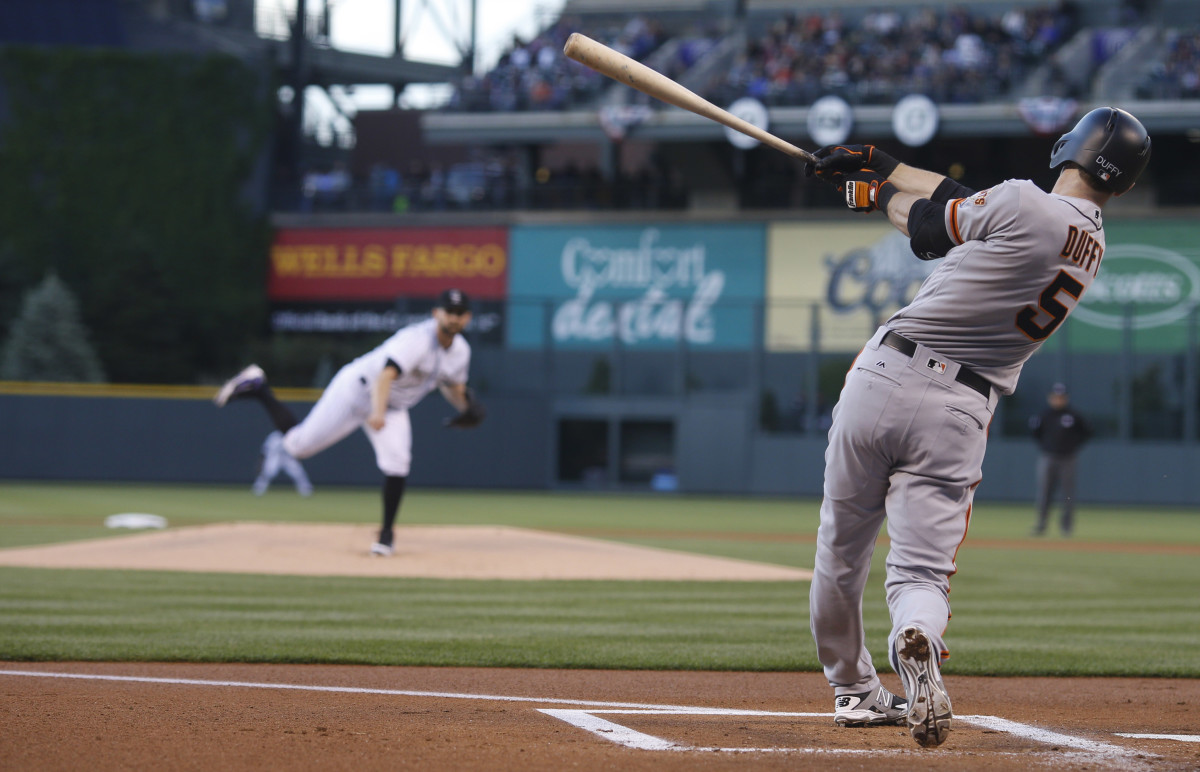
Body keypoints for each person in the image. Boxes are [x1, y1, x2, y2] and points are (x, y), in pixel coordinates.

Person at [802, 107, 1150, 748]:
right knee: (921, 574)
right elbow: (966, 201)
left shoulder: (1024, 202)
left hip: (883, 376)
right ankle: (919, 637)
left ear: (1073, 147)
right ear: (1122, 181)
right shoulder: (1088, 243)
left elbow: (933, 226)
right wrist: (885, 166)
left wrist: (876, 197)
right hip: (962, 409)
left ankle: (852, 690)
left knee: (840, 551)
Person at [213, 288, 486, 555]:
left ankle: (386, 535)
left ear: (468, 318)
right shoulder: (417, 339)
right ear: (436, 313)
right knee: (298, 447)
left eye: (460, 313)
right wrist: (376, 413)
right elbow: (386, 374)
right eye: (449, 311)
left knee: (398, 462)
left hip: (392, 406)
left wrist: (468, 407)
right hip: (358, 390)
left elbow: (454, 388)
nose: (454, 317)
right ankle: (260, 388)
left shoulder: (461, 351)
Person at [1029, 383, 1091, 536]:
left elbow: (1087, 432)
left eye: (1061, 397)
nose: (1058, 400)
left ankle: (1066, 527)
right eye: (1055, 397)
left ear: (1066, 398)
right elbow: (1035, 433)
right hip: (1048, 457)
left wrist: (1073, 446)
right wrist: (1046, 446)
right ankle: (1041, 524)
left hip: (1068, 458)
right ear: (1050, 398)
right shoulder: (1043, 415)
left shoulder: (1074, 415)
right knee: (1044, 492)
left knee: (1067, 494)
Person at [252, 431, 313, 497]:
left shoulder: (292, 435)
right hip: (275, 458)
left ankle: (306, 490)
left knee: (298, 472)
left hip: (288, 458)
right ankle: (258, 489)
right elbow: (265, 451)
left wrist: (297, 459)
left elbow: (297, 450)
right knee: (268, 472)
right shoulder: (274, 436)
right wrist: (261, 462)